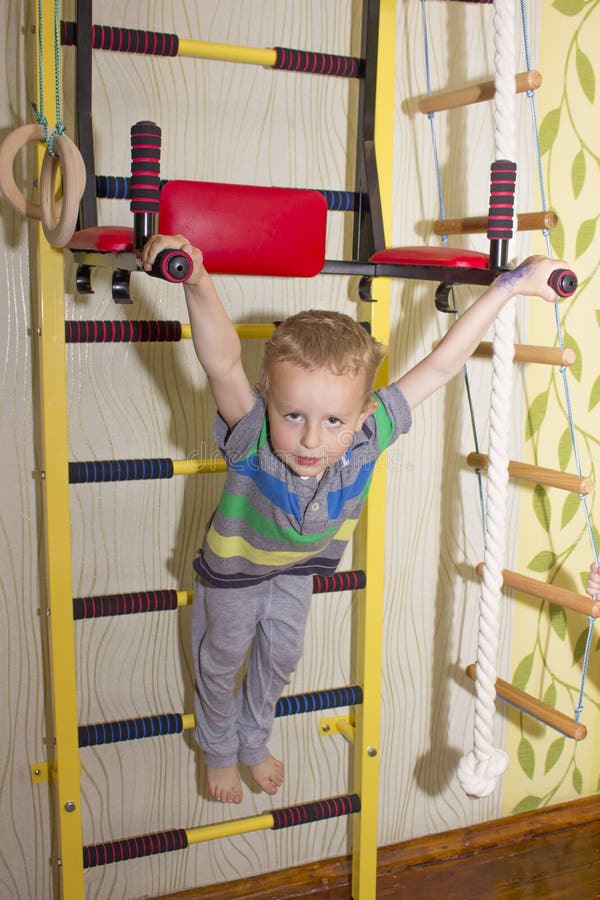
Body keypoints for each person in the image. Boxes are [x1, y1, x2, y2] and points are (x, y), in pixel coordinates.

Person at [142, 234, 566, 804]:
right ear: (267, 400)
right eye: (293, 415)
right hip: (233, 576)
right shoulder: (254, 438)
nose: (312, 440)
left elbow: (441, 365)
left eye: (334, 421)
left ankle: (253, 739)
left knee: (281, 661)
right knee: (220, 662)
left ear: (365, 414)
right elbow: (220, 363)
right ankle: (219, 749)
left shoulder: (368, 436)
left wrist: (509, 287)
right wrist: (198, 281)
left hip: (294, 573)